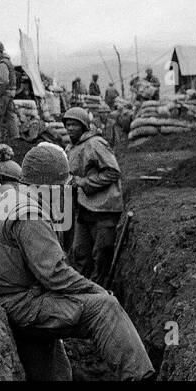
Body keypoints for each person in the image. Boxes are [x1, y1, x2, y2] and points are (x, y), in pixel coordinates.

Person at [0, 142, 154, 381]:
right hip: (20, 304)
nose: (65, 192)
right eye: (63, 186)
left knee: (57, 373)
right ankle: (140, 377)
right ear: (50, 185)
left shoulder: (9, 197)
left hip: (6, 295)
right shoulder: (30, 215)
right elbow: (55, 274)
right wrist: (97, 290)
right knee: (105, 308)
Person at [61, 108, 123, 283]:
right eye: (67, 125)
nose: (70, 128)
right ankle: (82, 291)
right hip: (84, 209)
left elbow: (113, 172)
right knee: (80, 254)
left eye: (74, 124)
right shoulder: (72, 147)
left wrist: (84, 183)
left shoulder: (95, 144)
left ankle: (100, 294)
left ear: (83, 126)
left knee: (101, 257)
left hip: (104, 209)